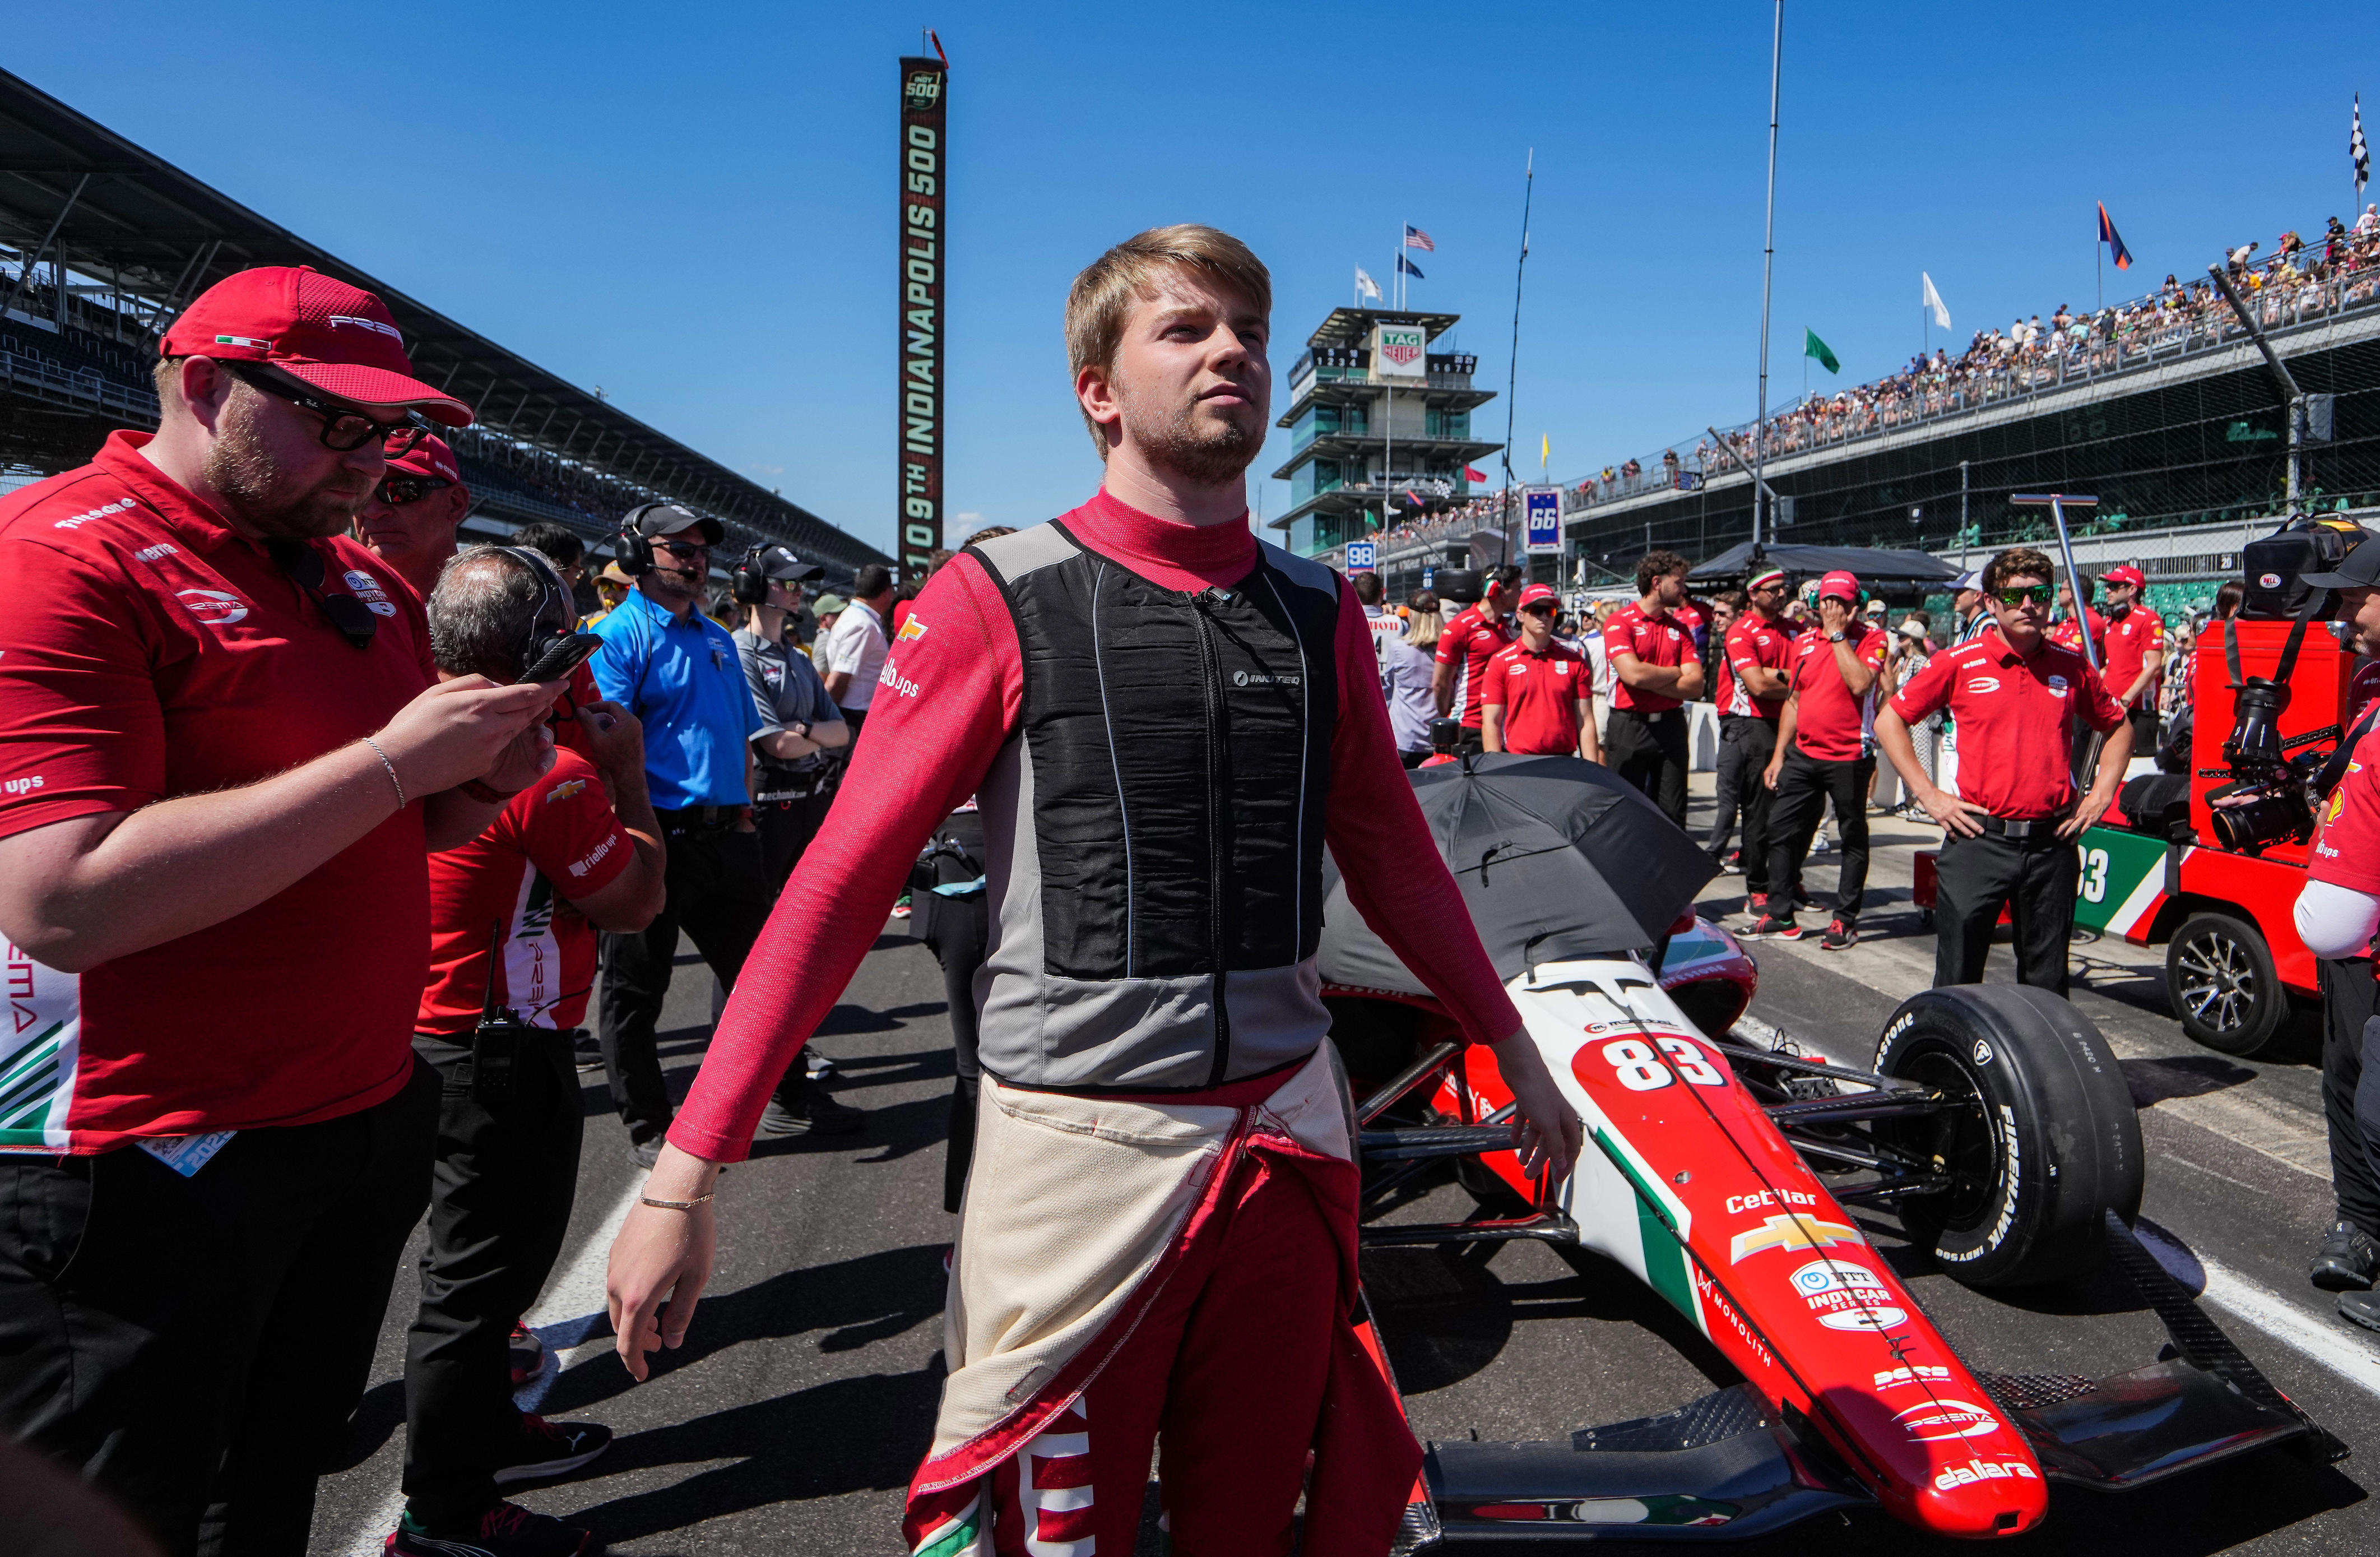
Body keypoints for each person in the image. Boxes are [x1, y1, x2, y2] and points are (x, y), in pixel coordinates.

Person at [602, 223, 1579, 1557]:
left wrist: (1511, 1040)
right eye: (1185, 328)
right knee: (1058, 1535)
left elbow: (1393, 854)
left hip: (1288, 1148)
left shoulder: (1321, 606)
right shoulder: (995, 596)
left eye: (1245, 326)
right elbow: (839, 880)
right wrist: (685, 1172)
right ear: (1097, 390)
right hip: (1077, 1157)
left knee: (1252, 1524)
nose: (1231, 347)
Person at [0, 265, 561, 1555]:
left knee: (268, 1493)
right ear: (205, 387)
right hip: (140, 1156)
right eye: (338, 422)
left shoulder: (355, 586)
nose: (371, 461)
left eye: (387, 431)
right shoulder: (59, 554)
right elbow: (62, 896)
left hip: (346, 1116)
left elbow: (391, 822)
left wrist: (475, 785)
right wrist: (391, 764)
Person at [393, 547, 670, 1557]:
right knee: (474, 1290)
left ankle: (486, 1439)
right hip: (500, 1048)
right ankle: (442, 1517)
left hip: (435, 1035)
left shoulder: (414, 731)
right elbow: (637, 900)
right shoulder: (541, 774)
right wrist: (628, 769)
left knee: (483, 1279)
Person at [589, 503, 859, 1164]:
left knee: (763, 982)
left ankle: (790, 1097)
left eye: (700, 548)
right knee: (634, 997)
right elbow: (607, 743)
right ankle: (648, 1126)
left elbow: (741, 733)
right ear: (635, 553)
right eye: (675, 548)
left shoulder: (714, 639)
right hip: (653, 837)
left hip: (727, 837)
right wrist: (637, 833)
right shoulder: (618, 637)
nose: (693, 557)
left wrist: (741, 811)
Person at [1875, 547, 2131, 993]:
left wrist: (2099, 797)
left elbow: (2118, 726)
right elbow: (1888, 720)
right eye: (2014, 596)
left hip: (2051, 844)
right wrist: (1928, 795)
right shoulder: (1958, 661)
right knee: (1957, 978)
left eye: (2039, 594)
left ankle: (2041, 1062)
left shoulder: (2071, 668)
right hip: (1978, 840)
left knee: (2047, 980)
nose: (2029, 605)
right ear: (1991, 602)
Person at [2286, 538, 2380, 1313]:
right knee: (2345, 1074)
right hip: (2353, 935)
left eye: (2353, 597)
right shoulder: (2369, 684)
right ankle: (2358, 1223)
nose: (2338, 612)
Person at [1749, 570, 1889, 949]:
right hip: (1804, 754)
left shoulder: (1872, 639)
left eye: (1841, 602)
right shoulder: (1805, 643)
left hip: (1849, 756)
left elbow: (1860, 684)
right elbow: (1794, 701)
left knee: (1852, 835)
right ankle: (1781, 913)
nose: (1833, 609)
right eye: (1828, 602)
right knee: (1778, 828)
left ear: (1854, 604)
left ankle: (1844, 919)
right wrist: (1779, 754)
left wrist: (1838, 635)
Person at [734, 544, 850, 891]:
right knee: (763, 912)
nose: (798, 591)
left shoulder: (799, 657)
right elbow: (777, 745)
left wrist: (804, 728)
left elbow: (843, 733)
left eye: (799, 585)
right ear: (754, 586)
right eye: (787, 584)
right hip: (770, 801)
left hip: (811, 799)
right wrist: (813, 735)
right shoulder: (739, 652)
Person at [1710, 569, 1794, 914]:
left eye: (1783, 589)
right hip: (1752, 725)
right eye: (1773, 590)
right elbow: (1757, 685)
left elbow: (1813, 671)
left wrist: (1778, 675)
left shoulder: (1796, 630)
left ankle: (1788, 880)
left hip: (1790, 720)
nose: (1781, 594)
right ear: (1754, 595)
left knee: (1791, 813)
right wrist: (1796, 680)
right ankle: (1757, 886)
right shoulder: (1741, 631)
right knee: (1758, 812)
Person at [1602, 550, 1704, 828]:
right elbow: (1632, 675)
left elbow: (1696, 684)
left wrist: (1651, 680)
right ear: (1657, 582)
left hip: (1670, 727)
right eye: (1679, 582)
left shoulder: (1680, 628)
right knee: (1625, 809)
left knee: (1673, 813)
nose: (1684, 589)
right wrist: (1674, 673)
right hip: (1629, 727)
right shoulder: (1620, 622)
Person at [1481, 583, 1598, 759]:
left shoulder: (1574, 661)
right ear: (1521, 615)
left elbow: (1586, 721)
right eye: (1537, 610)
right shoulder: (1501, 661)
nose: (1544, 617)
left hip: (1563, 760)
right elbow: (1491, 722)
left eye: (1550, 611)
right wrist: (1493, 770)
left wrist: (1592, 770)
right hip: (1518, 762)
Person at [353, 432, 471, 601]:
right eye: (360, 493)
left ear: (455, 504)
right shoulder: (327, 603)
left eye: (400, 491)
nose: (372, 511)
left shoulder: (498, 613)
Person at [1433, 567, 1520, 753]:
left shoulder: (1505, 628)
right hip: (1469, 726)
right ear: (1496, 590)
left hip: (1501, 724)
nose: (1521, 594)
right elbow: (1441, 683)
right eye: (1517, 588)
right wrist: (1449, 717)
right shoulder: (1461, 626)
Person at [1357, 570, 1437, 764]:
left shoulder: (1350, 622)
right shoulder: (1398, 624)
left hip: (1360, 703)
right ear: (1382, 593)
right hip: (1392, 707)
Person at [2098, 564, 2166, 755]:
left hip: (2138, 709)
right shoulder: (2110, 622)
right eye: (2108, 585)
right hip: (2112, 707)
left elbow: (2154, 667)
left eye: (2114, 585)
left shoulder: (2148, 619)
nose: (2107, 590)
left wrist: (2126, 700)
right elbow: (2110, 665)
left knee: (2137, 772)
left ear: (2132, 590)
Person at [823, 563, 895, 739]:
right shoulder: (862, 625)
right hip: (852, 720)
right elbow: (838, 679)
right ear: (886, 592)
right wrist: (828, 720)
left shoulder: (854, 617)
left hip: (852, 717)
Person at [586, 560, 633, 626]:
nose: (610, 594)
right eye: (605, 588)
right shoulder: (591, 627)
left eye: (620, 586)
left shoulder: (648, 625)